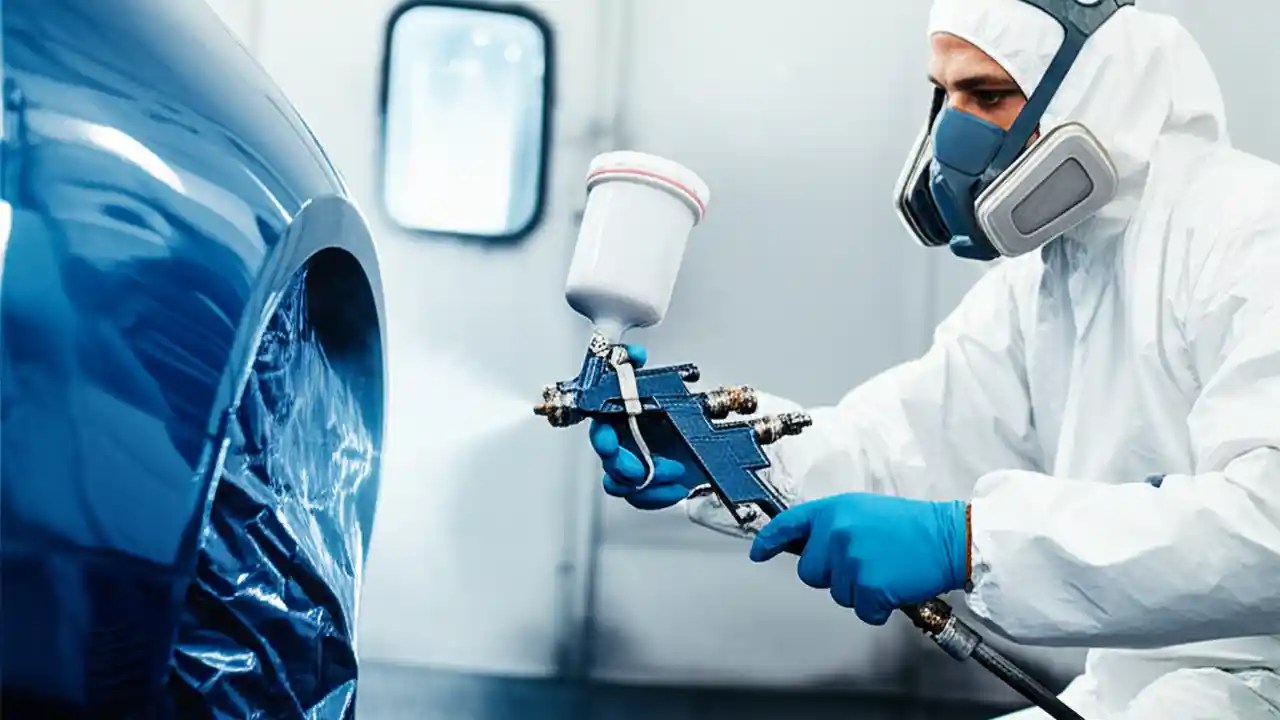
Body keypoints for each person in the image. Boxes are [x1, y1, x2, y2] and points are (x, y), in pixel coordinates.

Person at [588, 0, 1280, 717]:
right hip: (1138, 689)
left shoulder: (1251, 230)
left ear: (1094, 93)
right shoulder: (1051, 276)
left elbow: (1269, 522)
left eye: (986, 95)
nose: (953, 135)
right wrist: (722, 450)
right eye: (944, 96)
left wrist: (968, 542)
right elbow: (909, 442)